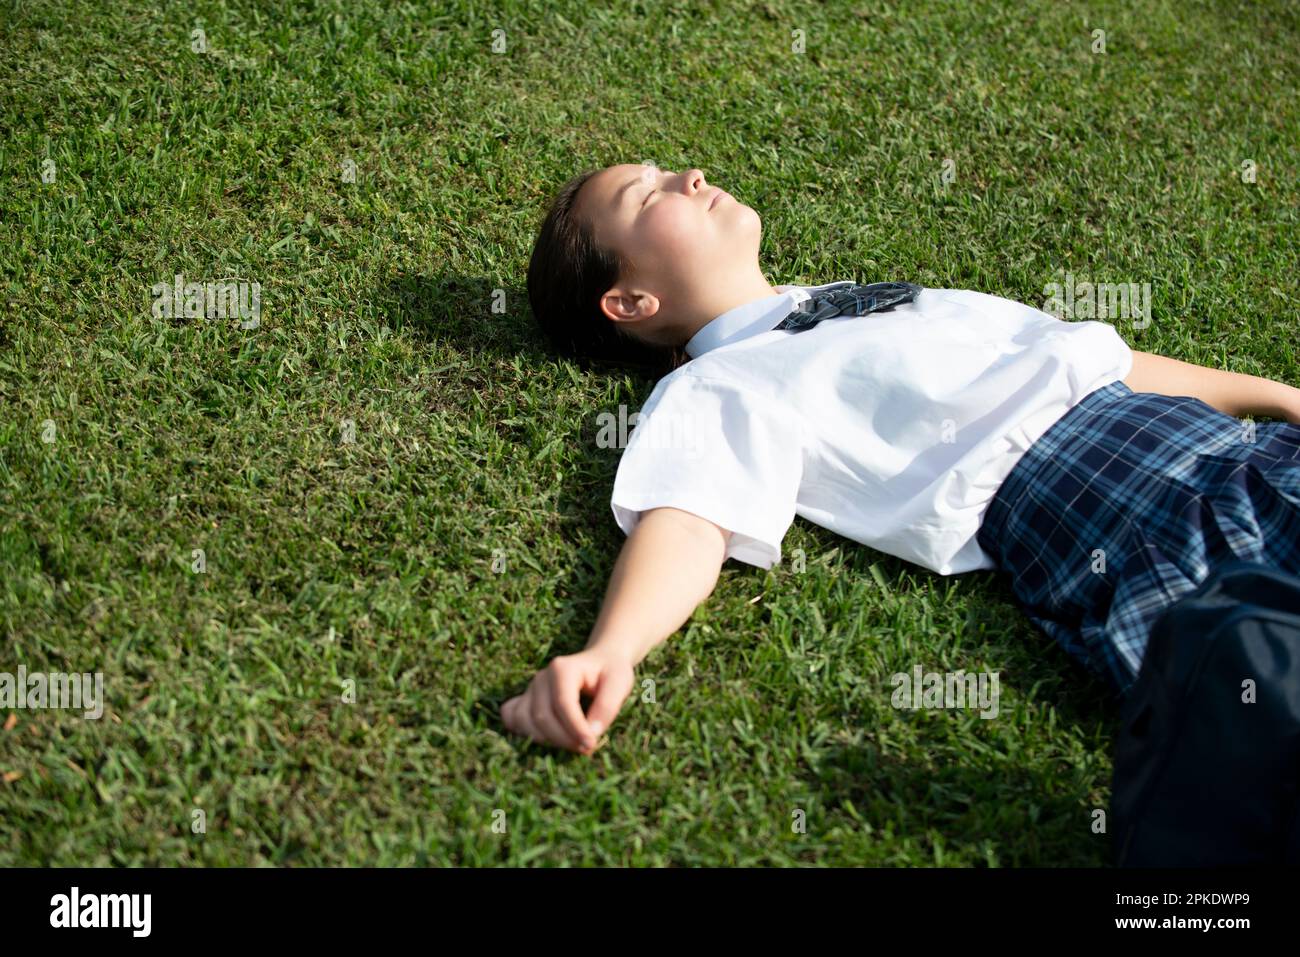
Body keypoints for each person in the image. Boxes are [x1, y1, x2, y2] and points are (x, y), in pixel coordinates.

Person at [505, 163, 1300, 755]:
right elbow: (686, 519)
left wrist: (1275, 394)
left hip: (1229, 448)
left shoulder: (853, 296)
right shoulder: (716, 384)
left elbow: (1085, 360)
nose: (690, 175)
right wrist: (612, 647)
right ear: (632, 303)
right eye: (648, 196)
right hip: (1107, 507)